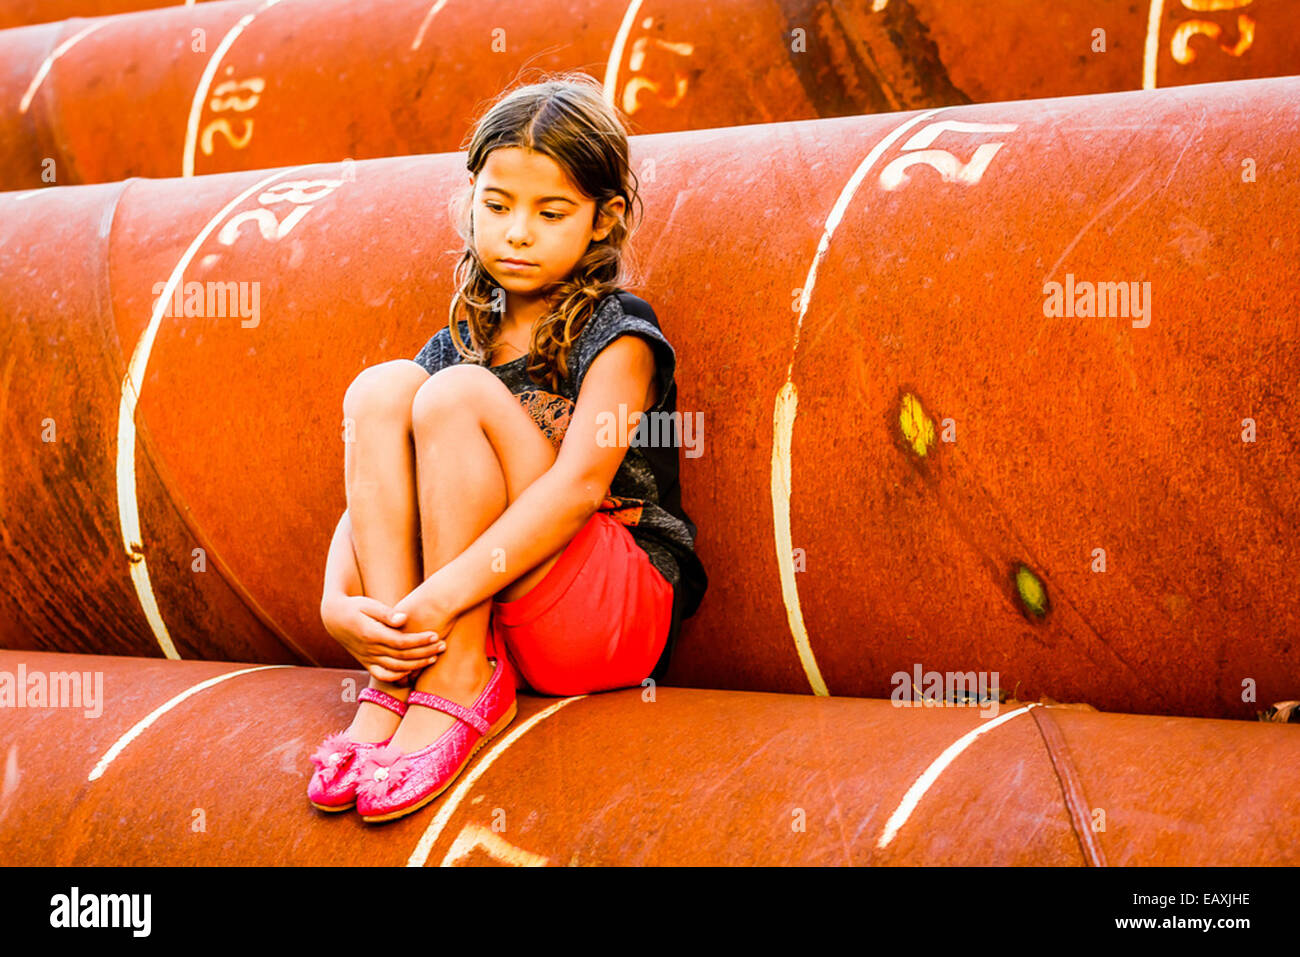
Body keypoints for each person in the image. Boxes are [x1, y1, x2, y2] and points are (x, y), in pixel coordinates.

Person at [307, 72, 707, 823]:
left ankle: (455, 677)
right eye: (497, 206)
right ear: (469, 201)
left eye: (550, 212)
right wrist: (338, 602)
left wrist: (442, 597)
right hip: (488, 614)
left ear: (602, 218)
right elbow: (376, 484)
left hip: (608, 614)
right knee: (381, 391)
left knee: (457, 394)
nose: (518, 232)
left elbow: (580, 486)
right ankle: (399, 678)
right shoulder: (462, 338)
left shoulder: (618, 334)